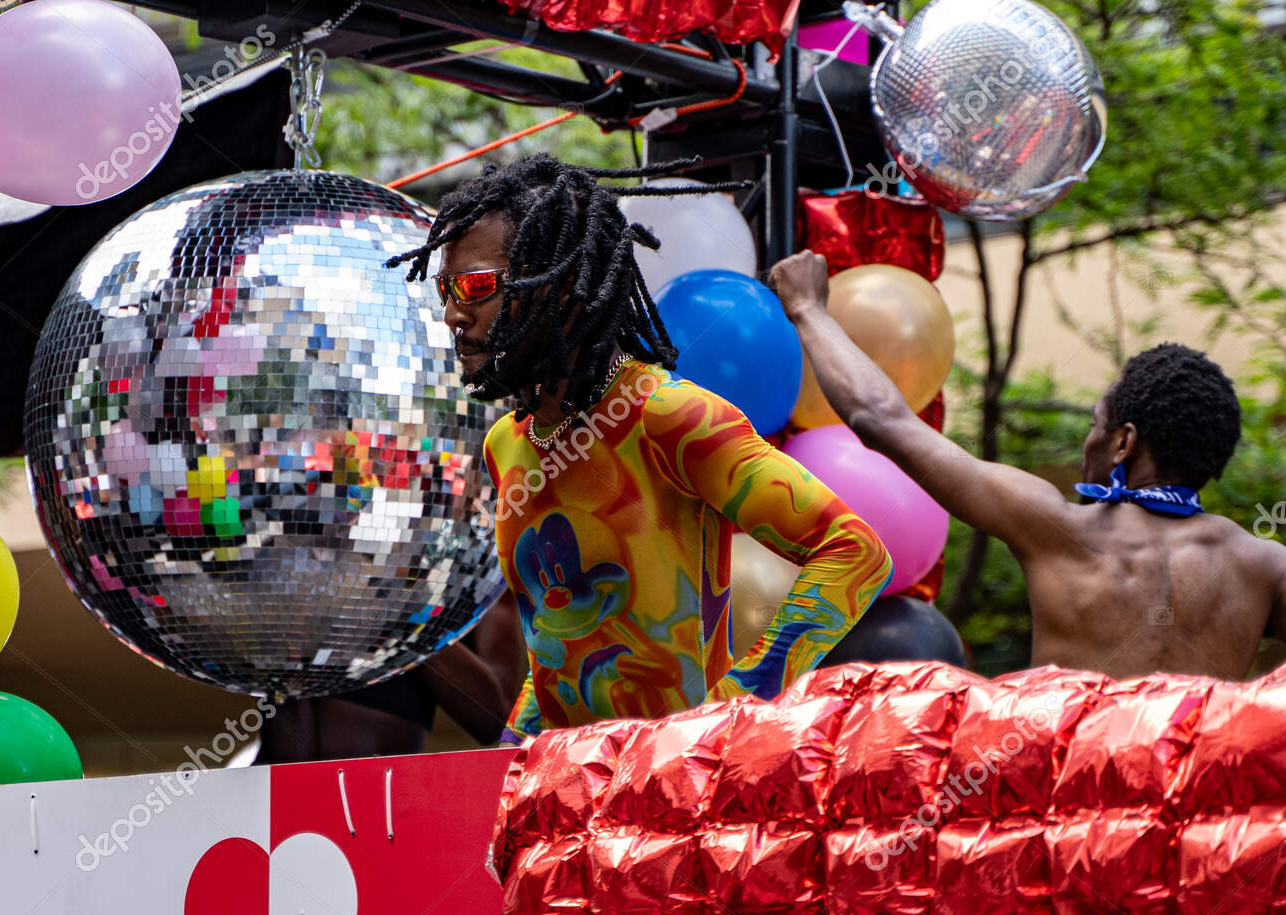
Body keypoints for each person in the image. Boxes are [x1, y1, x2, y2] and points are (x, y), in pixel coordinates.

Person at [387, 155, 892, 741]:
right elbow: (558, 638)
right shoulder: (508, 444)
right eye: (446, 289)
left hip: (679, 798)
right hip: (570, 794)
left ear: (562, 286)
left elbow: (853, 551)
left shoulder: (667, 415)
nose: (452, 313)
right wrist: (516, 751)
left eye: (475, 285)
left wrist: (728, 715)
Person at [769, 249, 1286, 680]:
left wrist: (809, 307)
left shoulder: (1055, 527)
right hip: (1202, 805)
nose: (1087, 444)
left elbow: (880, 418)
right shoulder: (1263, 566)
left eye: (1095, 425)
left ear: (1124, 442)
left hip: (1069, 802)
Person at [258, 590, 526, 762]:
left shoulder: (473, 567)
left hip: (374, 815)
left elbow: (495, 718)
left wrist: (403, 617)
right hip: (269, 804)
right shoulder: (309, 540)